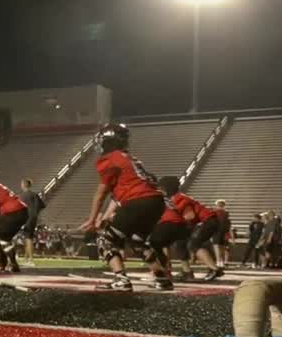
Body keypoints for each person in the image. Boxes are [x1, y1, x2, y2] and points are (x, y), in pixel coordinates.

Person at [77, 123, 167, 291]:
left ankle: (121, 279)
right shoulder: (129, 158)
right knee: (138, 241)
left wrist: (92, 219)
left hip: (138, 200)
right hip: (156, 201)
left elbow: (100, 194)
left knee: (105, 239)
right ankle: (162, 278)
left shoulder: (110, 159)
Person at [160, 176, 224, 282]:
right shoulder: (176, 198)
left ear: (167, 188)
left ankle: (214, 269)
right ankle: (187, 272)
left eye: (162, 188)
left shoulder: (179, 198)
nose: (160, 191)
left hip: (208, 221)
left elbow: (190, 216)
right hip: (205, 221)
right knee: (180, 243)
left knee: (193, 244)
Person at [18, 178, 46, 268]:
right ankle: (26, 259)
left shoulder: (22, 196)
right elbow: (43, 205)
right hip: (34, 218)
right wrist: (35, 212)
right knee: (28, 237)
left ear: (23, 185)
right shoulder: (35, 194)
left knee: (28, 238)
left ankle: (30, 260)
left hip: (27, 218)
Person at [212, 199, 231, 268]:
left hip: (217, 231)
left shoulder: (215, 212)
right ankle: (222, 262)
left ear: (217, 205)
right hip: (224, 232)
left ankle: (218, 261)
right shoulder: (226, 213)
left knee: (216, 246)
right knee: (222, 247)